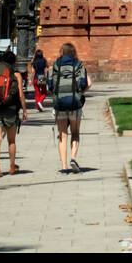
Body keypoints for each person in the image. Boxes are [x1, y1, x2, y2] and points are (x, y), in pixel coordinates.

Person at [49, 42, 92, 174]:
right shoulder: (78, 65)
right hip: (74, 103)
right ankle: (73, 158)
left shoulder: (55, 65)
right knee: (75, 133)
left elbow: (50, 86)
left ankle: (64, 167)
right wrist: (80, 93)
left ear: (61, 52)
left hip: (60, 105)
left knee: (62, 135)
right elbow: (88, 83)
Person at [0, 50, 27, 177]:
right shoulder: (16, 75)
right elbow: (20, 95)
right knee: (11, 141)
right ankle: (12, 166)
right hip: (10, 110)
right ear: (13, 62)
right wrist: (24, 110)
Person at [31, 47, 49, 112]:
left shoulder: (34, 61)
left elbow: (33, 71)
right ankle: (40, 102)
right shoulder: (44, 60)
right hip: (41, 76)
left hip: (35, 77)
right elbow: (47, 66)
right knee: (44, 92)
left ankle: (38, 106)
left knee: (37, 93)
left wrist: (31, 80)